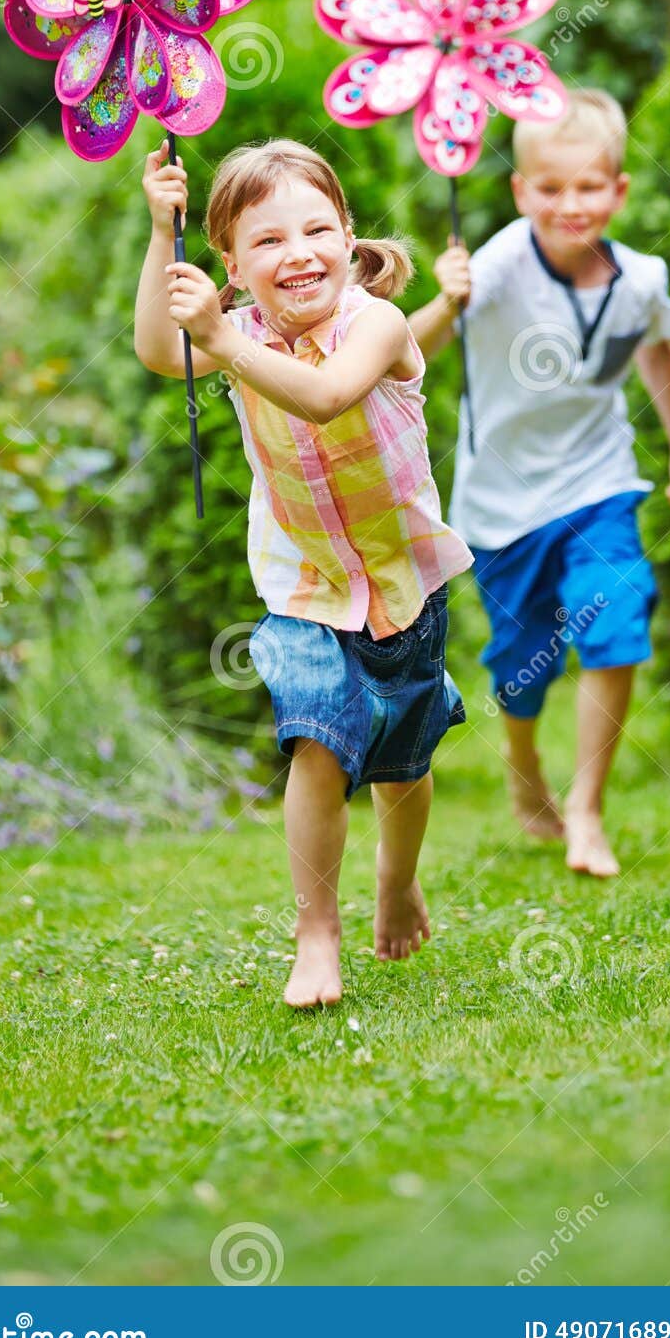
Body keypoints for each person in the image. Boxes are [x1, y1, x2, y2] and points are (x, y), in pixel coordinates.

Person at [135, 137, 472, 1007]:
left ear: (348, 235)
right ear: (231, 265)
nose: (299, 253)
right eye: (268, 240)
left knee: (402, 761)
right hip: (303, 581)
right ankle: (315, 932)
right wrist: (160, 232)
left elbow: (325, 398)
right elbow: (159, 351)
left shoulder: (377, 325)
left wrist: (219, 337)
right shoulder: (238, 330)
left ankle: (396, 879)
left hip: (402, 581)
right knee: (316, 742)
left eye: (317, 230)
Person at [410, 89, 670, 878]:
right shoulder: (497, 265)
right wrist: (446, 299)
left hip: (597, 481)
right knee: (521, 663)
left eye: (587, 186)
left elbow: (656, 353)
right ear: (520, 191)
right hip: (501, 504)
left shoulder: (640, 278)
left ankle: (586, 808)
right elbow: (409, 352)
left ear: (618, 190)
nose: (569, 204)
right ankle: (523, 765)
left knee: (616, 608)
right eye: (549, 187)